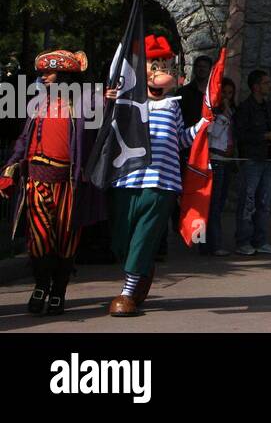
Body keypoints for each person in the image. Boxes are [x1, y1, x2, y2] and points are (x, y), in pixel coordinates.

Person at [106, 36, 208, 317]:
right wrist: (109, 102)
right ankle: (141, 270)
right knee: (121, 239)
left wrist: (201, 125)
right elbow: (107, 132)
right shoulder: (124, 101)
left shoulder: (173, 105)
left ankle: (127, 292)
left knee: (143, 237)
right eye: (154, 64)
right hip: (125, 180)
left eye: (164, 65)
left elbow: (181, 140)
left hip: (161, 183)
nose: (159, 71)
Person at [0, 50, 105, 316]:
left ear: (65, 76)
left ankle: (58, 290)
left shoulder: (84, 105)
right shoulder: (37, 105)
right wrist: (12, 165)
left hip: (69, 183)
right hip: (36, 178)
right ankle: (40, 286)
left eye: (49, 73)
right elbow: (24, 140)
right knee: (39, 239)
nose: (43, 77)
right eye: (42, 73)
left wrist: (107, 100)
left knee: (65, 240)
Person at [232, 69, 271, 256]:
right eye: (266, 83)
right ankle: (243, 241)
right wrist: (263, 136)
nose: (269, 85)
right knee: (247, 202)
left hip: (267, 159)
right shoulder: (245, 108)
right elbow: (241, 135)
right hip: (251, 160)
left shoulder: (269, 108)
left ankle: (260, 241)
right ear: (256, 86)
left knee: (264, 202)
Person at [201, 77, 237, 257]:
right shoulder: (213, 114)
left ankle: (210, 242)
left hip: (226, 161)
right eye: (224, 93)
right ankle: (212, 244)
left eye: (230, 94)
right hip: (215, 160)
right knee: (213, 205)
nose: (227, 97)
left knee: (219, 204)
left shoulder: (230, 112)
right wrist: (225, 116)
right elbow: (213, 135)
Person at [178, 55, 213, 126]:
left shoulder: (213, 92)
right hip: (189, 134)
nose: (202, 69)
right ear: (194, 69)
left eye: (205, 67)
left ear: (210, 70)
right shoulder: (183, 92)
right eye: (199, 66)